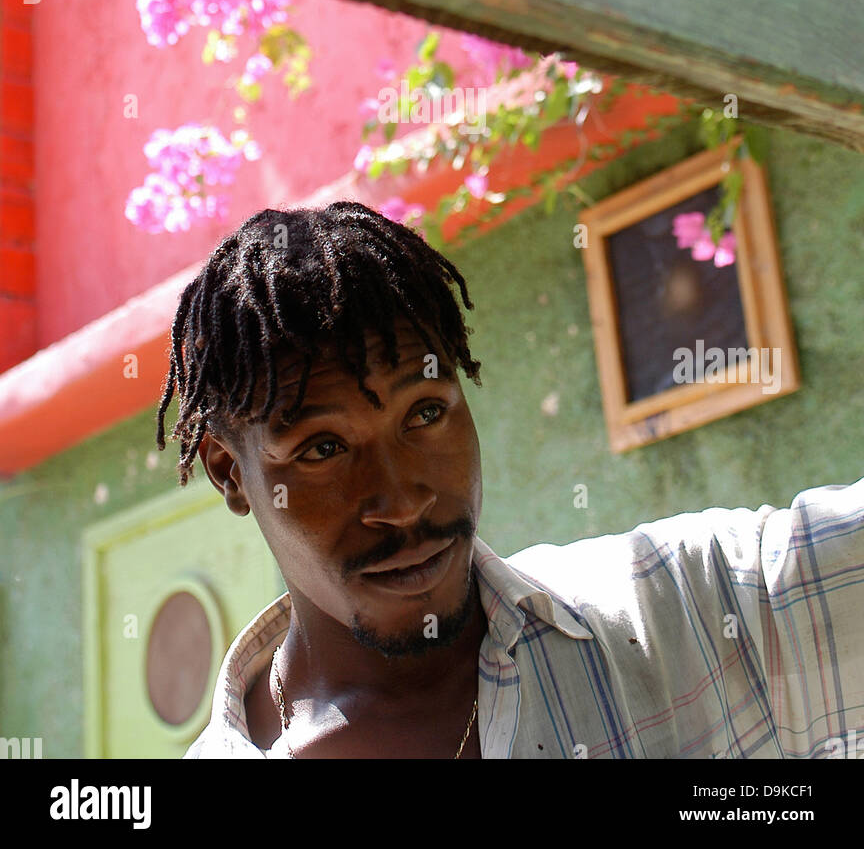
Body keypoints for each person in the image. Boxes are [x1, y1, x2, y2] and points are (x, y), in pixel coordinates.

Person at [158, 202, 864, 759]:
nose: (402, 501)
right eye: (322, 448)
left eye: (426, 411)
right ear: (231, 473)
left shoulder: (693, 615)